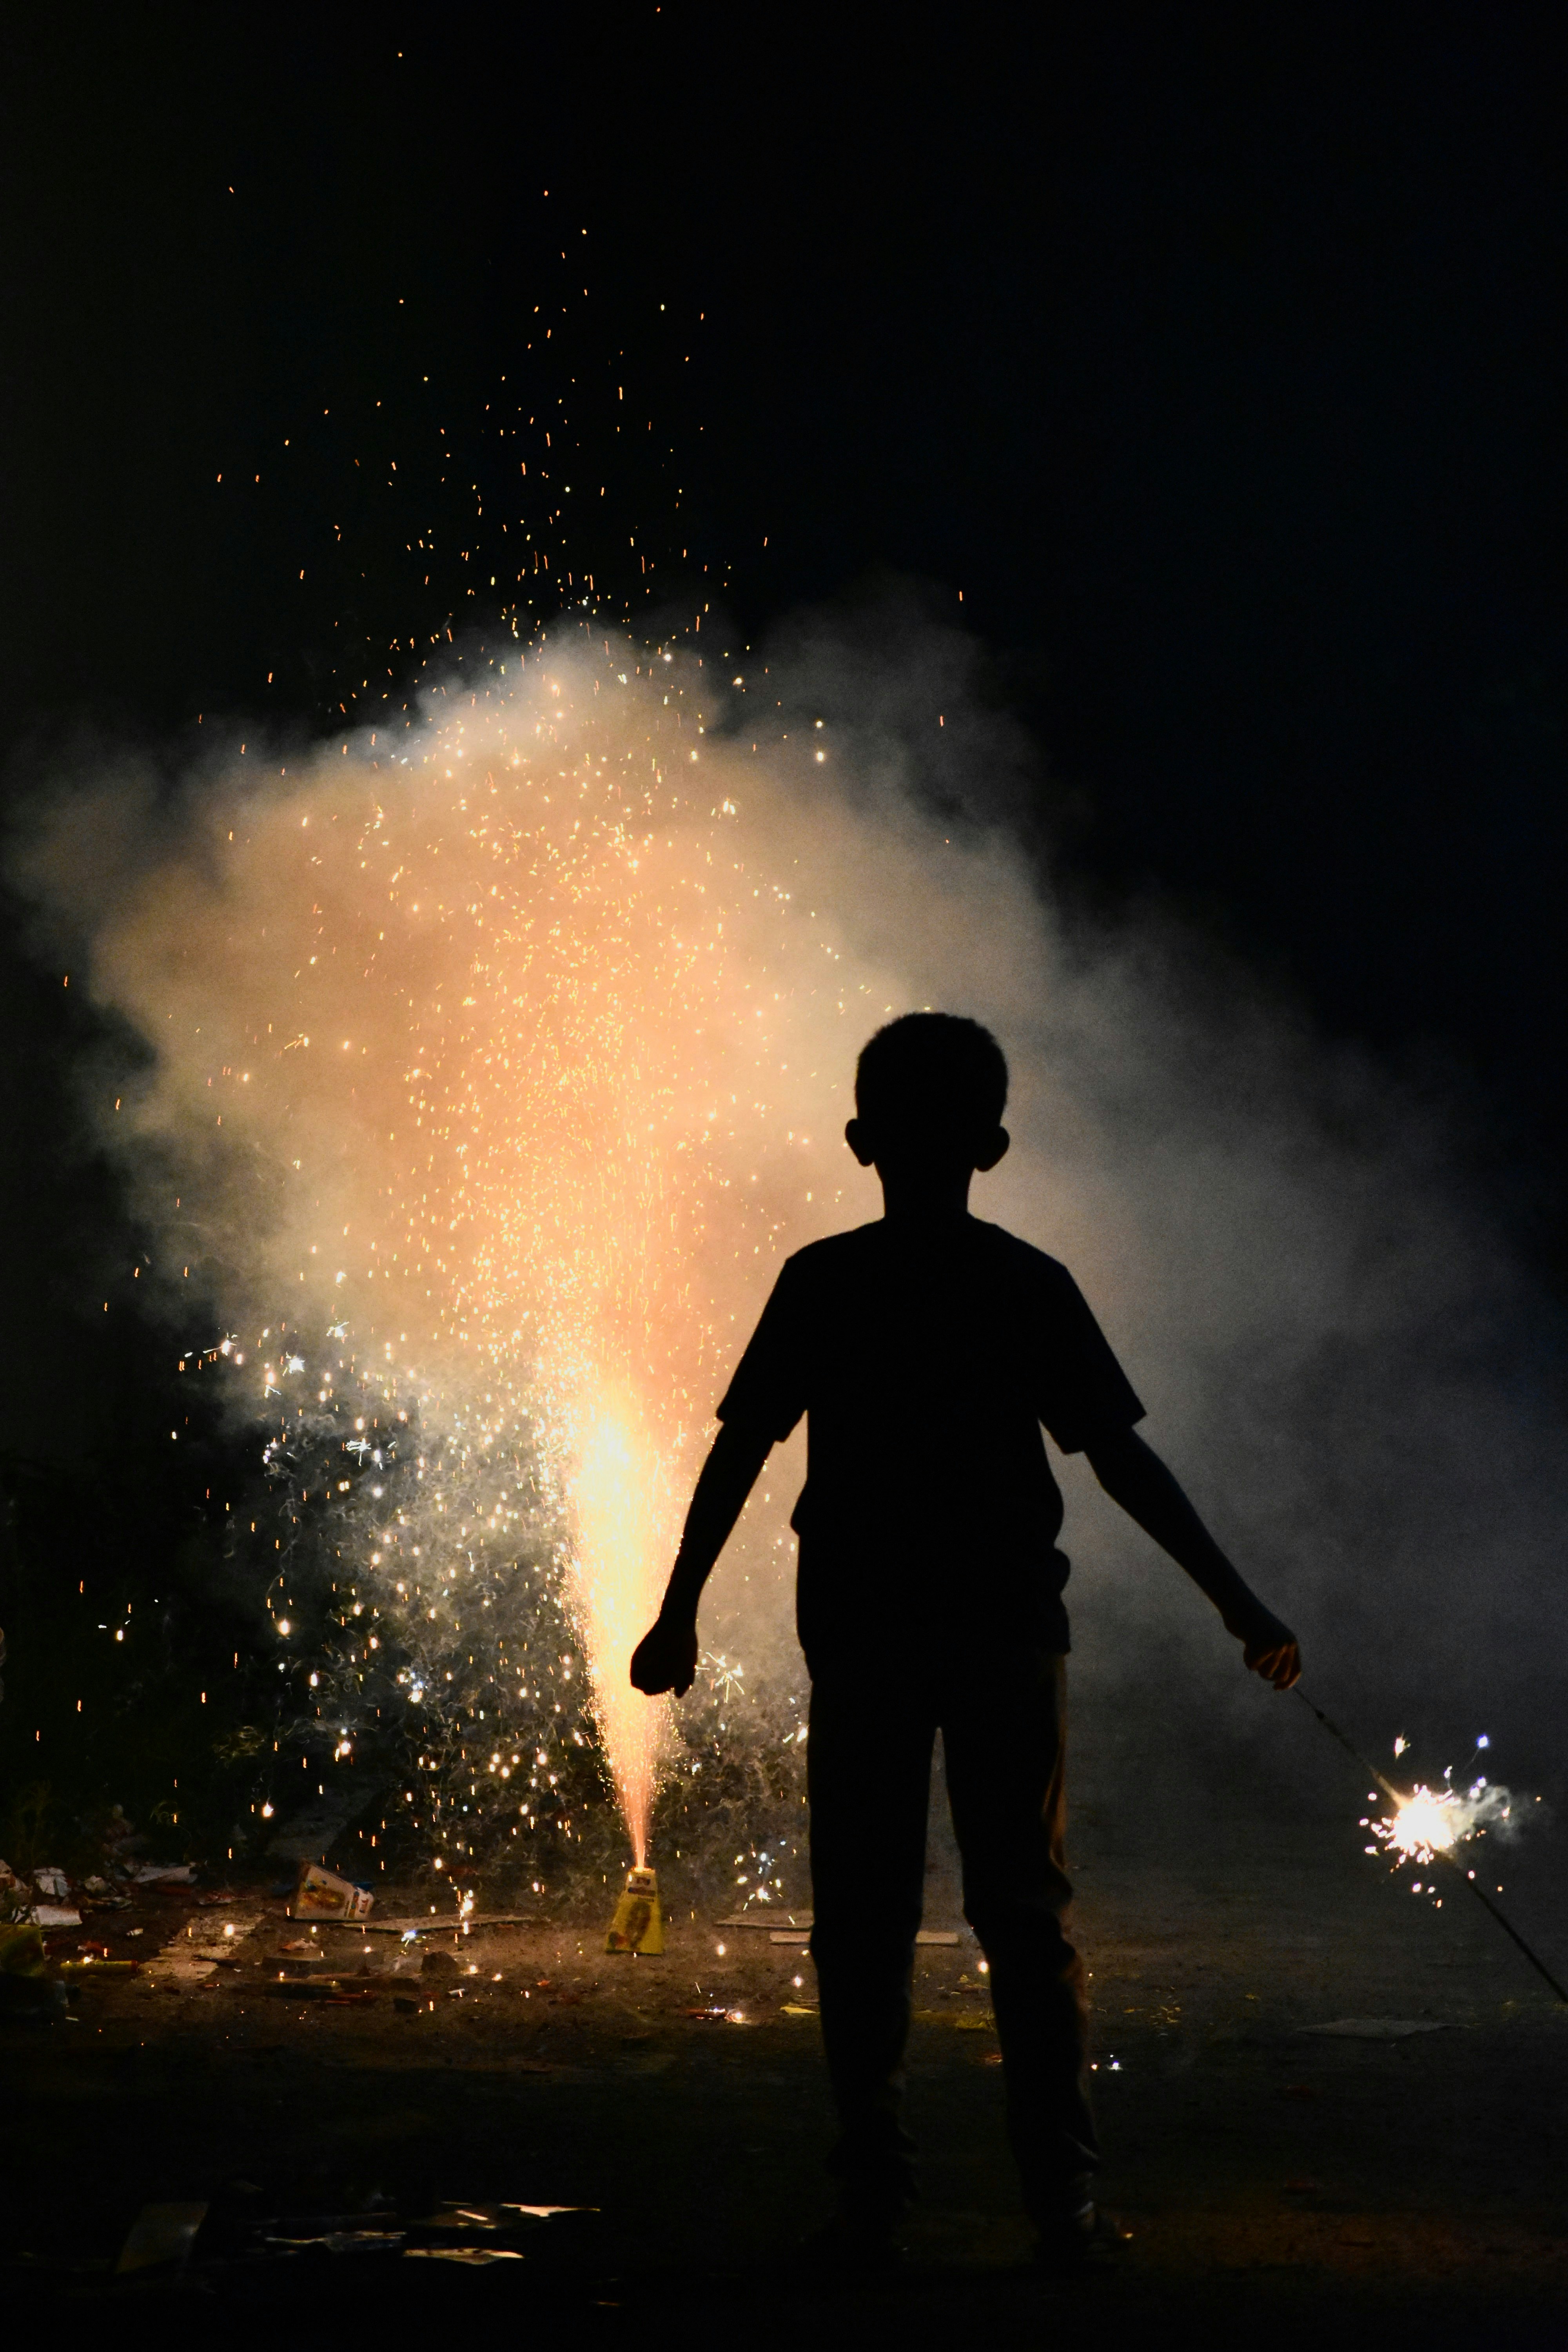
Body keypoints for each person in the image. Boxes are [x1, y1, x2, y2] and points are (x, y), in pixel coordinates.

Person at [631, 1011, 1299, 2268]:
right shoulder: (1023, 1284)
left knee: (864, 1919)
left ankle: (877, 2201)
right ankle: (1066, 2207)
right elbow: (1119, 1462)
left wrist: (681, 1608)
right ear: (993, 1145)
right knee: (1028, 1919)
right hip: (1003, 1633)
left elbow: (741, 1450)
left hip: (868, 1629)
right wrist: (1237, 1603)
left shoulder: (827, 1279)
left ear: (858, 1140)